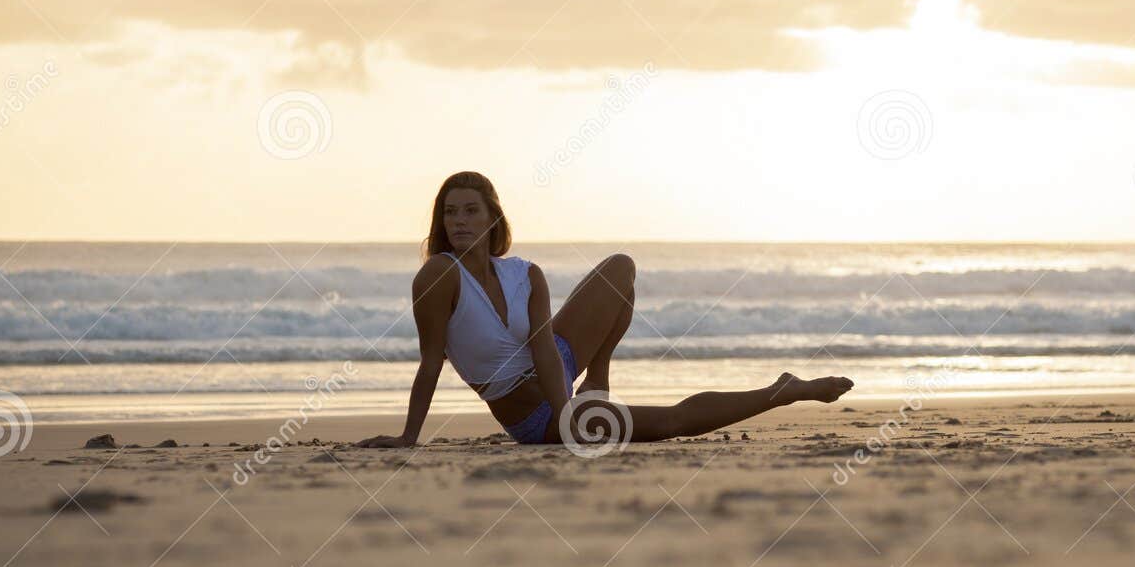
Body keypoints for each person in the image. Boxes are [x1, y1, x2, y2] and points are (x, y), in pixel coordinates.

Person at [356, 171, 853, 448]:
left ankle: (598, 377)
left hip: (557, 376)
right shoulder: (438, 276)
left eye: (470, 210)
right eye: (450, 211)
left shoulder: (523, 273)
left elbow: (546, 351)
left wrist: (572, 406)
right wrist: (408, 437)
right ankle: (781, 392)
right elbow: (431, 362)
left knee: (620, 268)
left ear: (492, 219)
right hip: (531, 417)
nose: (459, 221)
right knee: (673, 422)